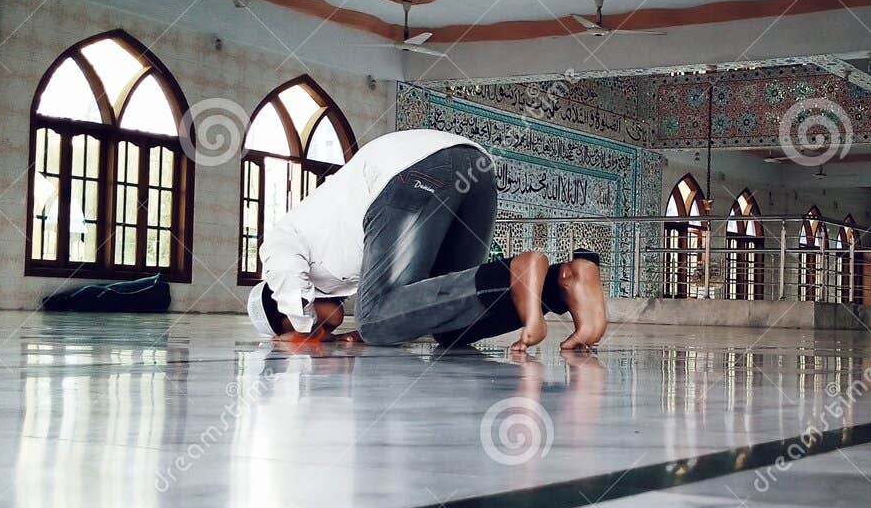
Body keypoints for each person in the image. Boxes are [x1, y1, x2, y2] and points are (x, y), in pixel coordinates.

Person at [244, 129, 607, 351]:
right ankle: (564, 281)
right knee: (451, 330)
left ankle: (517, 270)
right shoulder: (340, 276)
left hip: (411, 172)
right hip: (471, 170)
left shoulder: (280, 244)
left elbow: (288, 282)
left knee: (373, 318)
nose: (320, 332)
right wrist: (384, 327)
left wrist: (302, 332)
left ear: (280, 306)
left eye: (305, 325)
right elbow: (422, 295)